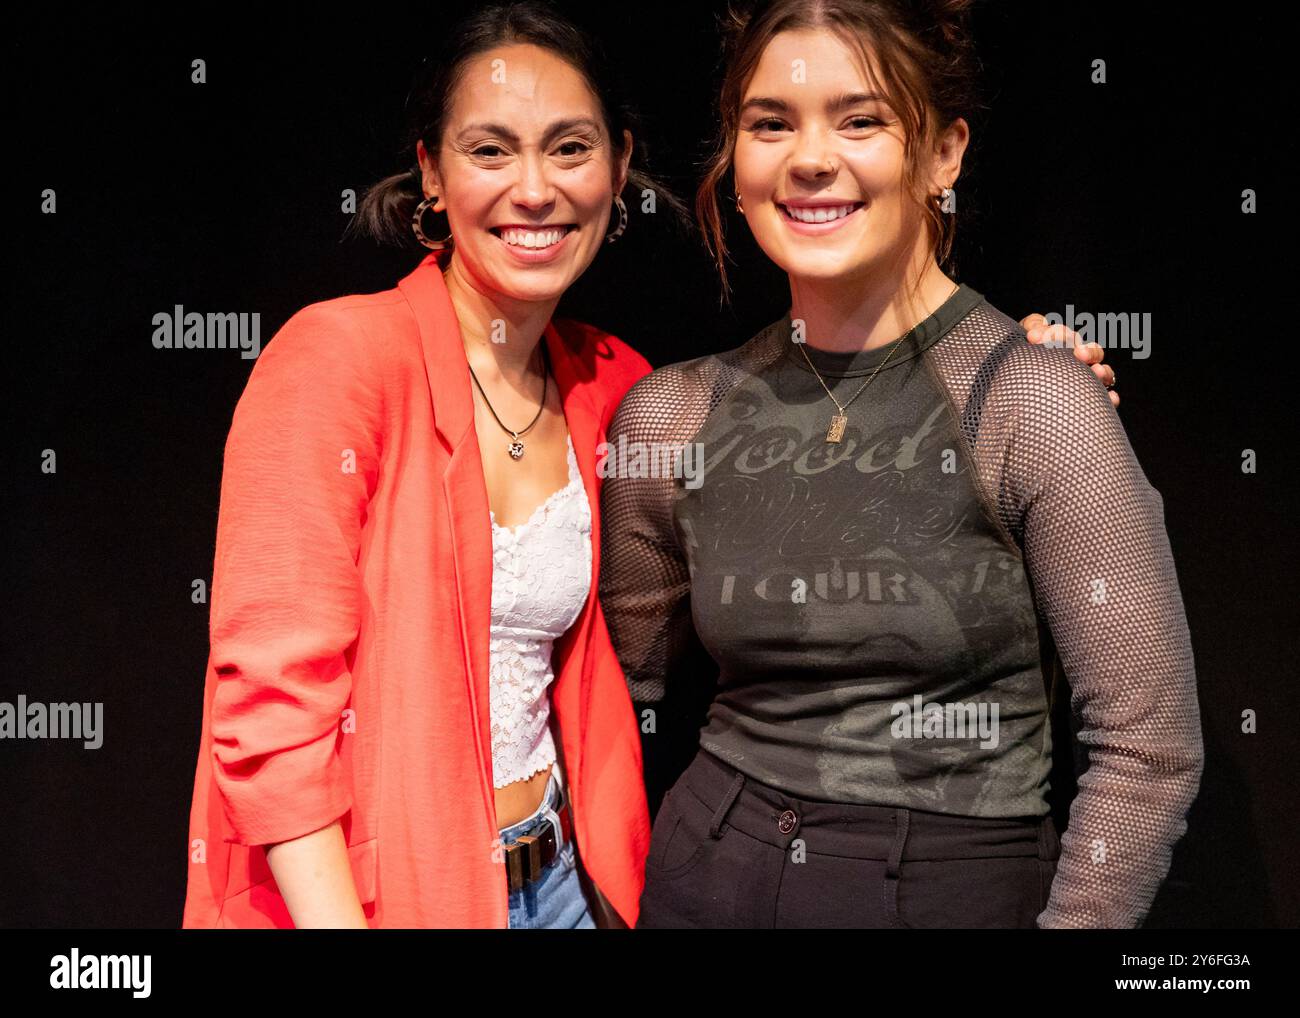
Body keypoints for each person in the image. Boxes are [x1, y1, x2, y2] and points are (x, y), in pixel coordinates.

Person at [181, 0, 1116, 930]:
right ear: (431, 170)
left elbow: (636, 662)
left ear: (619, 169)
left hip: (566, 891)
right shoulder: (337, 359)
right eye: (490, 150)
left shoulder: (615, 389)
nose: (536, 189)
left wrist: (1021, 374)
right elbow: (271, 712)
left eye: (571, 148)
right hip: (380, 898)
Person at [598, 0, 1200, 929]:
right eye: (770, 123)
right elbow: (610, 703)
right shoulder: (674, 414)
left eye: (861, 118)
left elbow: (1148, 750)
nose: (808, 157)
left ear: (943, 154)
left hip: (950, 885)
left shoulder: (1035, 402)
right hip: (704, 871)